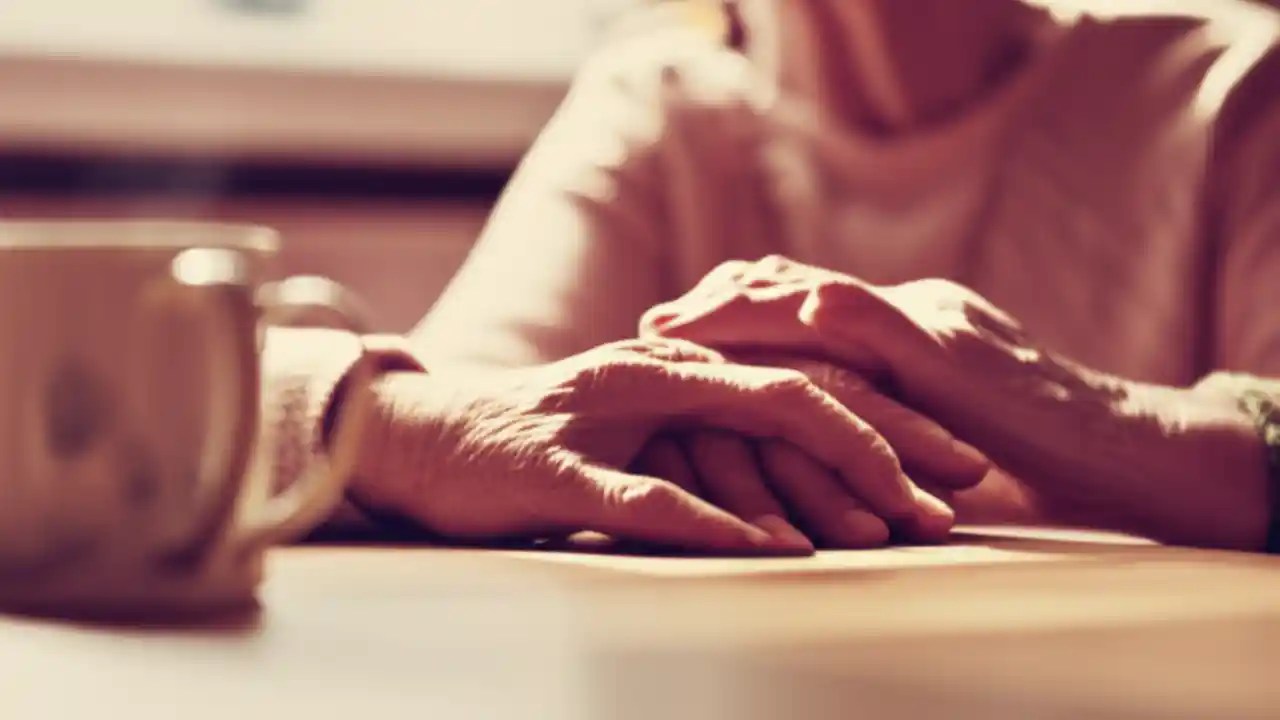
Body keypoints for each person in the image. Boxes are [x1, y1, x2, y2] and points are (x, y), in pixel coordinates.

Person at [267, 0, 1280, 553]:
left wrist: (1079, 412)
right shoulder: (658, 105)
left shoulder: (1232, 91)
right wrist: (391, 420)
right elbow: (469, 429)